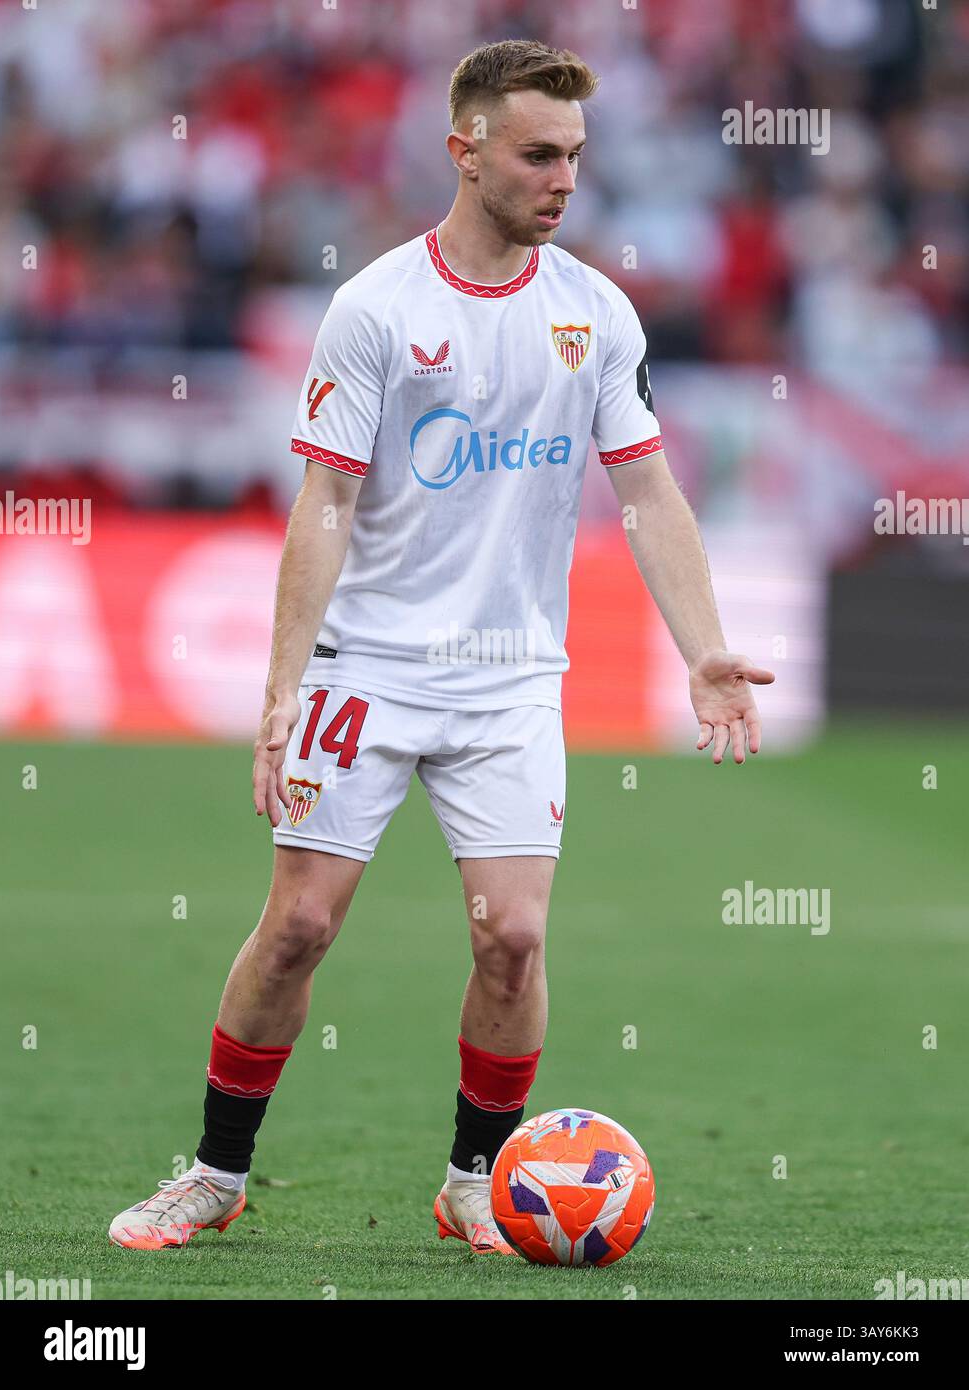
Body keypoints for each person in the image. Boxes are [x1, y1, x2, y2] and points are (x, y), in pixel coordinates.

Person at [109, 38, 774, 1255]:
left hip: (513, 680)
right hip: (365, 667)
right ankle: (214, 1170)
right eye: (537, 154)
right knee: (301, 924)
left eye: (575, 154)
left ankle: (476, 1178)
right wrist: (283, 686)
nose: (563, 179)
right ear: (464, 150)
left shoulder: (594, 312)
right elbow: (327, 505)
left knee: (513, 938)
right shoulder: (375, 309)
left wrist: (707, 649)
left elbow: (648, 493)